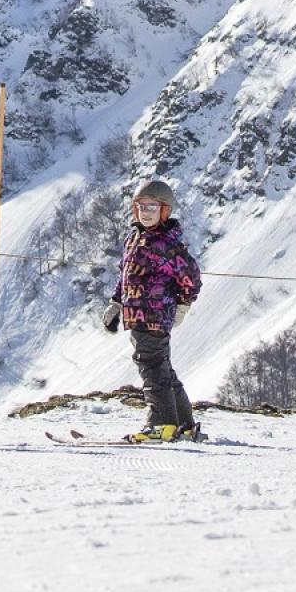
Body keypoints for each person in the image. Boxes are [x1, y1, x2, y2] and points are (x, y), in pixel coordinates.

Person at [103, 178, 202, 442]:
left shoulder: (167, 245)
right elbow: (125, 275)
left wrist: (182, 304)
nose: (145, 212)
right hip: (136, 314)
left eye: (152, 207)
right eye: (141, 207)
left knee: (151, 368)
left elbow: (191, 277)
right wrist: (116, 303)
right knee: (163, 368)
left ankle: (161, 423)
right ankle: (184, 423)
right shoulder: (134, 238)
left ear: (165, 211)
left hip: (156, 315)